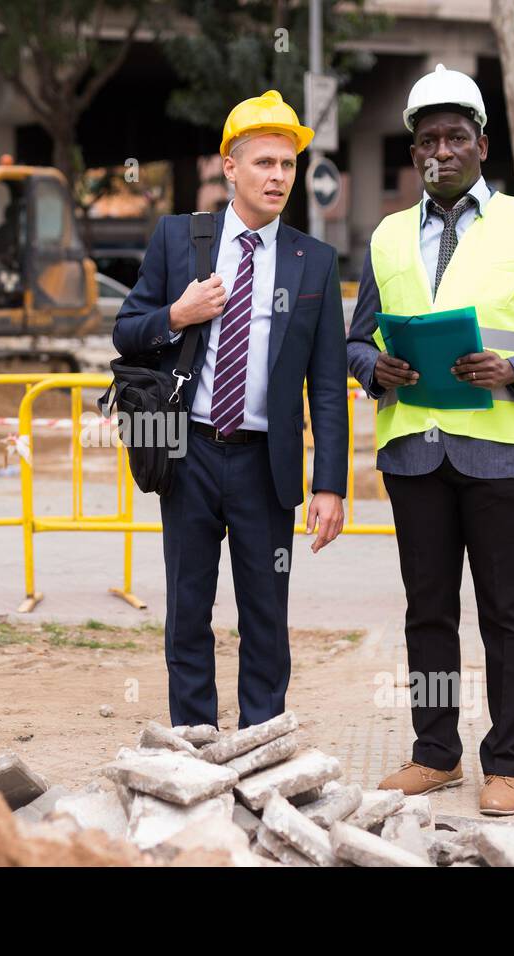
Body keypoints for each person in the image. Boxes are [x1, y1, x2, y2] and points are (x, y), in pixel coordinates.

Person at [345, 65, 514, 815]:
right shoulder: (389, 237)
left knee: (505, 610)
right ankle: (436, 754)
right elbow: (355, 341)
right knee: (427, 608)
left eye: (456, 136)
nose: (441, 150)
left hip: (499, 456)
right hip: (415, 454)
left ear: (482, 145)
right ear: (415, 152)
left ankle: (508, 760)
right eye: (427, 139)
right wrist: (377, 368)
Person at [114, 90, 348, 729]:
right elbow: (126, 331)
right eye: (265, 163)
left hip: (264, 468)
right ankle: (191, 746)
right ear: (230, 167)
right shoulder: (179, 240)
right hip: (187, 454)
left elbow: (327, 384)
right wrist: (176, 315)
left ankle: (261, 744)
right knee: (187, 610)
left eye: (288, 165)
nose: (278, 177)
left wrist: (329, 483)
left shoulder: (314, 262)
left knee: (266, 615)